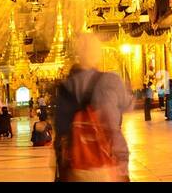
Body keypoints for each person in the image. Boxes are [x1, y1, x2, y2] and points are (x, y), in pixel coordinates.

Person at [54, 32, 132, 182]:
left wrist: (62, 166)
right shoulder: (111, 81)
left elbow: (61, 132)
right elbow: (125, 107)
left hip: (77, 167)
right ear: (97, 54)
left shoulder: (65, 87)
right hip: (108, 163)